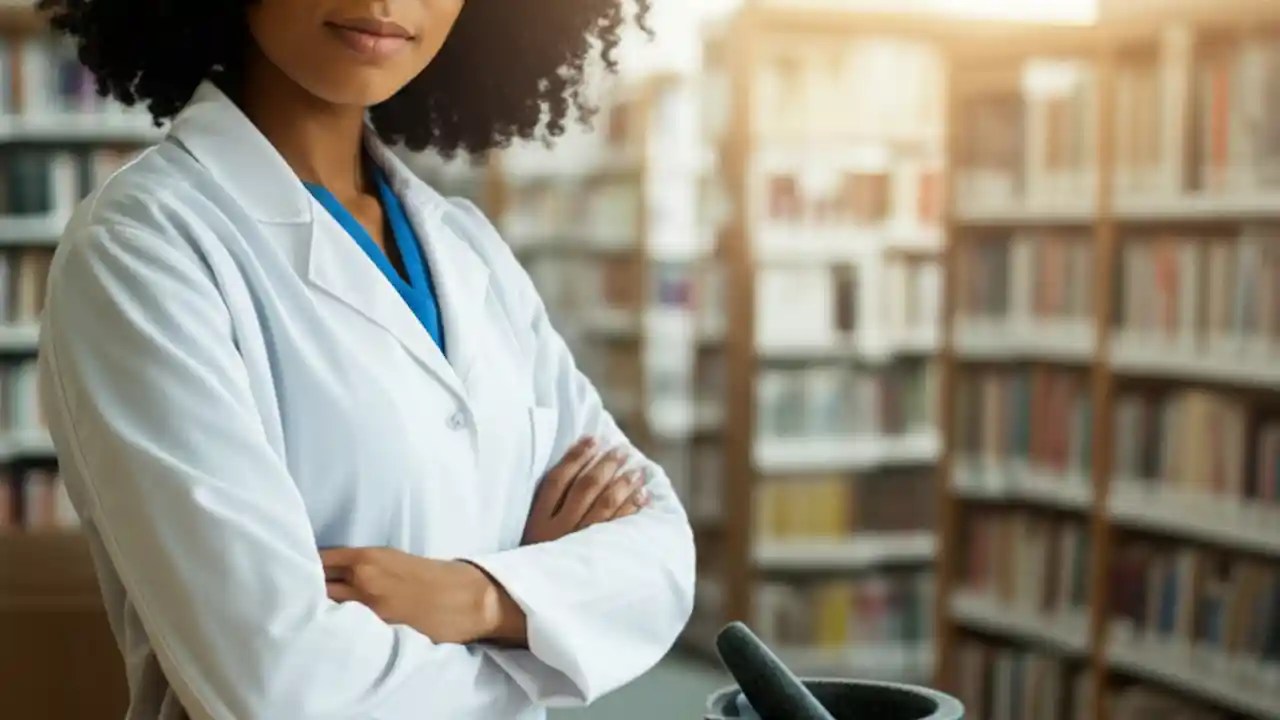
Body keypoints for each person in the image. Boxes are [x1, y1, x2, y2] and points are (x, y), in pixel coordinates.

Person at [34, 1, 695, 718]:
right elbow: (282, 684)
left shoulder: (468, 248)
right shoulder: (143, 247)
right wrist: (544, 634)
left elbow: (659, 556)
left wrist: (480, 596)